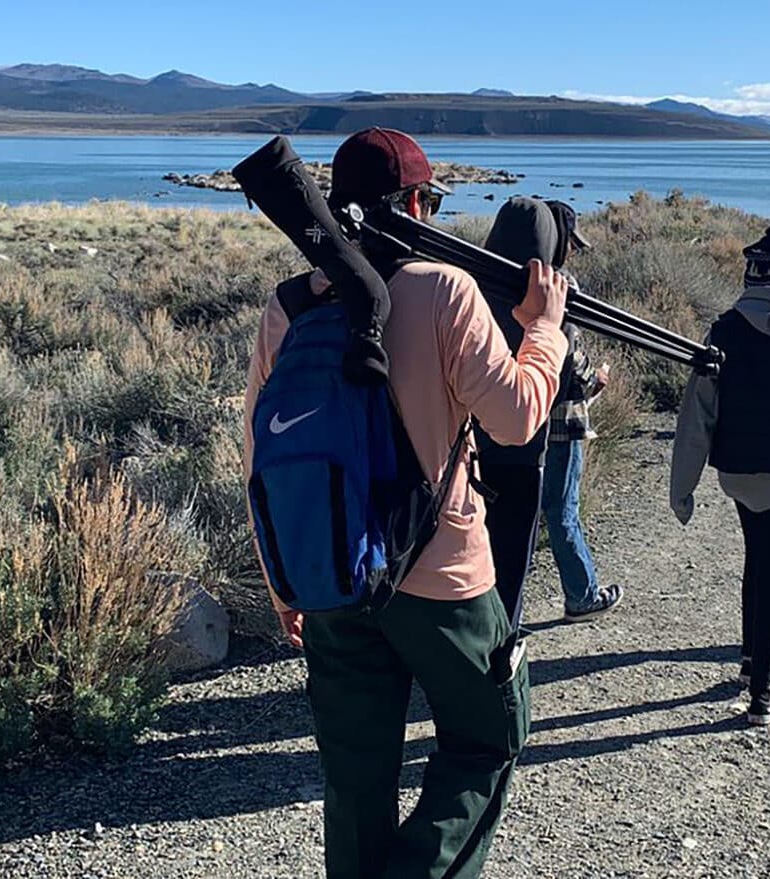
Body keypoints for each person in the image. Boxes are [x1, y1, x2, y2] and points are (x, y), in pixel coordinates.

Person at [243, 128, 569, 879]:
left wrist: (282, 581)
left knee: (356, 779)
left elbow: (262, 456)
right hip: (443, 578)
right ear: (417, 204)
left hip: (329, 574)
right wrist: (543, 330)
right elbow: (518, 416)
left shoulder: (288, 305)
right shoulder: (443, 288)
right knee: (489, 736)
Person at [669, 225, 770, 726]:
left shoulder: (723, 330)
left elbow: (698, 412)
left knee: (754, 561)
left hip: (737, 472)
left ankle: (747, 663)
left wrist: (684, 485)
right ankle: (762, 693)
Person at [474, 197, 623, 626]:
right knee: (560, 510)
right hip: (555, 424)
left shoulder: (476, 286)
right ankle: (581, 593)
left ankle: (493, 615)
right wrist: (597, 379)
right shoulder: (556, 293)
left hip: (487, 429)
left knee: (491, 523)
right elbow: (568, 364)